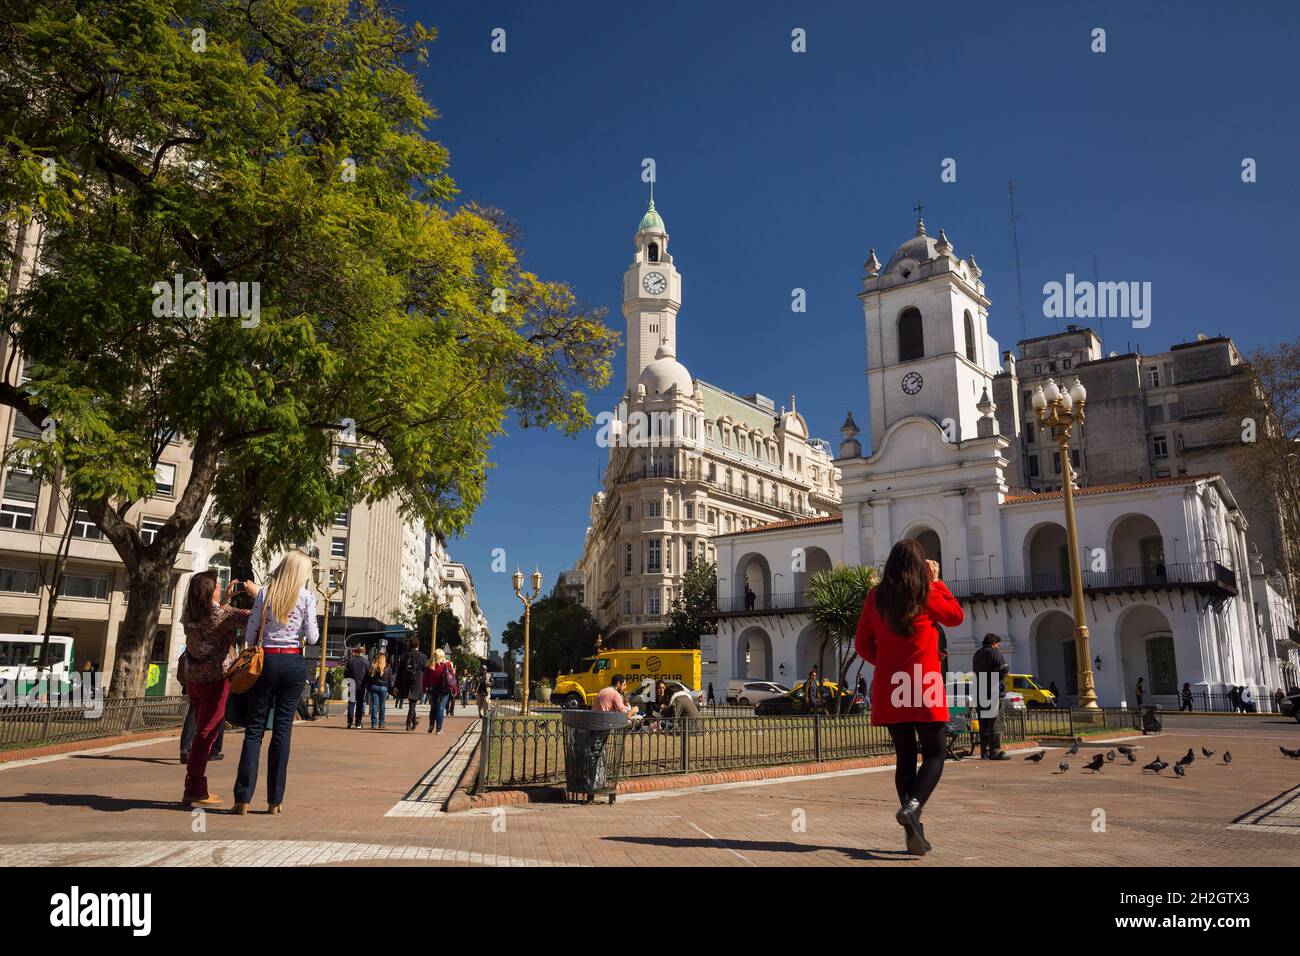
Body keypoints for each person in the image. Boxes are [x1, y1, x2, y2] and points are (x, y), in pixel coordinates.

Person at [854, 539, 964, 857]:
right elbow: (955, 616)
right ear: (920, 564)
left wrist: (888, 660)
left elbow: (863, 644)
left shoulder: (876, 596)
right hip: (923, 682)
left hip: (891, 685)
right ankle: (914, 809)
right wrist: (937, 581)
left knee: (904, 758)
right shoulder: (925, 592)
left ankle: (913, 828)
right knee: (935, 753)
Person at [232, 551, 319, 815]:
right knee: (283, 731)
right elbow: (313, 637)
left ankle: (243, 799)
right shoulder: (306, 597)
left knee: (254, 730)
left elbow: (250, 632)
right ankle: (274, 801)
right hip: (293, 663)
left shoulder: (264, 593)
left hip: (264, 663)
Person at [178, 573, 259, 807]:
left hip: (194, 678)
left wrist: (224, 600)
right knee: (207, 734)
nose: (221, 586)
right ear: (209, 591)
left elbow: (211, 620)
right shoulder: (224, 615)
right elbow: (256, 618)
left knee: (202, 730)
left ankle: (194, 785)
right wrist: (257, 596)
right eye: (217, 586)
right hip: (216, 679)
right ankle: (194, 787)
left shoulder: (191, 614)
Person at [971, 634, 1010, 760]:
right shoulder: (995, 653)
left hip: (979, 692)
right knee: (995, 722)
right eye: (998, 644)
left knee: (983, 723)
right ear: (994, 643)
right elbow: (1004, 669)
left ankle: (985, 752)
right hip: (993, 692)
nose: (998, 647)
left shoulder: (977, 654)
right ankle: (995, 751)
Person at [398, 638, 428, 731]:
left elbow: (399, 671)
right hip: (417, 682)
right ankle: (408, 723)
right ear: (418, 645)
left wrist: (396, 685)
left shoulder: (404, 656)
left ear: (409, 645)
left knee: (412, 702)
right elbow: (425, 670)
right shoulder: (423, 657)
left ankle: (414, 722)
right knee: (413, 703)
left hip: (406, 681)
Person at [425, 649, 453, 735]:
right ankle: (439, 729)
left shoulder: (430, 665)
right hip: (444, 689)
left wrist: (424, 689)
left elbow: (425, 678)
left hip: (432, 689)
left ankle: (431, 726)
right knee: (440, 708)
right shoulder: (447, 664)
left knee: (433, 707)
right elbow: (452, 678)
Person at [344, 645, 368, 728]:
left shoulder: (350, 661)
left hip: (352, 684)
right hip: (361, 686)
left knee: (351, 703)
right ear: (364, 652)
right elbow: (367, 675)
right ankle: (358, 723)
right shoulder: (366, 662)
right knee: (360, 704)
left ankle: (349, 722)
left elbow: (345, 674)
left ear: (357, 651)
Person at [366, 651, 390, 729]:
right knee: (382, 705)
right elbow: (390, 679)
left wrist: (369, 687)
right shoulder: (387, 668)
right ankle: (381, 722)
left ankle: (374, 723)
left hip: (374, 686)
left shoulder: (373, 667)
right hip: (383, 688)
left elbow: (368, 678)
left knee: (374, 705)